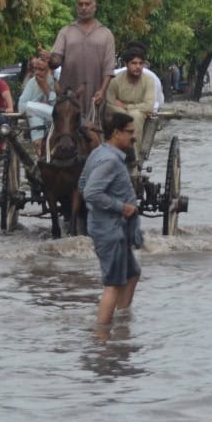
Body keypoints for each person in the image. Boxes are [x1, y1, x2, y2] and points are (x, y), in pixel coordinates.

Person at [78, 110, 142, 325]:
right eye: (130, 132)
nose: (133, 136)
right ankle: (102, 338)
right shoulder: (110, 161)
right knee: (113, 283)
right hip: (110, 230)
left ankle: (121, 325)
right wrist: (121, 207)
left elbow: (82, 184)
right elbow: (90, 192)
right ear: (116, 133)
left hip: (115, 228)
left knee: (132, 273)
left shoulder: (98, 153)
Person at [51, 0, 116, 124]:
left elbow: (108, 69)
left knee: (94, 134)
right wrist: (49, 58)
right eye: (80, 4)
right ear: (77, 7)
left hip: (95, 95)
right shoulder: (65, 31)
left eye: (87, 4)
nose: (84, 7)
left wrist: (102, 91)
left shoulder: (106, 34)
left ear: (94, 7)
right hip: (69, 96)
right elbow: (55, 62)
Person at [18, 54, 58, 155]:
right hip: (37, 115)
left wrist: (45, 87)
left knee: (32, 109)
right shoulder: (32, 82)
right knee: (34, 116)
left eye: (41, 69)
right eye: (35, 69)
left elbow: (57, 106)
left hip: (55, 117)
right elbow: (21, 106)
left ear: (49, 69)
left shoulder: (55, 81)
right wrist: (38, 105)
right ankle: (39, 150)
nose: (37, 73)